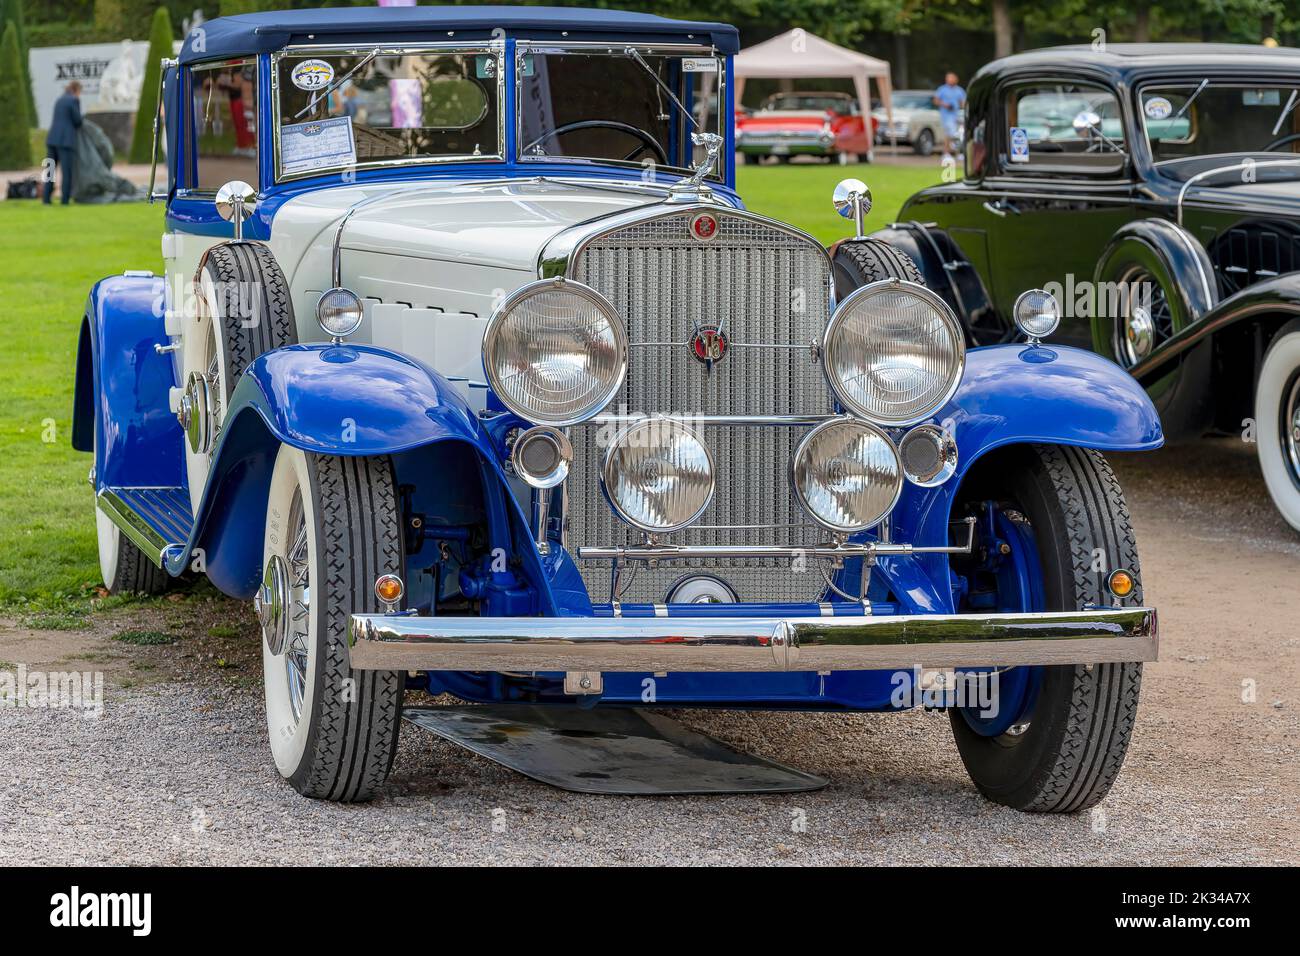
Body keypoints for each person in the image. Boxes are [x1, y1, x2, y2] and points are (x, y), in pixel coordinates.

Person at [45, 81, 84, 205]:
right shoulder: (74, 100)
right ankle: (65, 199)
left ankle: (46, 198)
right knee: (66, 172)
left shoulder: (59, 99)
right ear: (76, 90)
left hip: (52, 139)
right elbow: (77, 121)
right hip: (65, 141)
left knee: (50, 170)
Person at [933, 71, 966, 160]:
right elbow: (936, 101)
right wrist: (945, 105)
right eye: (948, 78)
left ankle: (958, 153)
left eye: (951, 78)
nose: (950, 80)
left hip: (956, 115)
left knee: (958, 134)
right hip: (946, 116)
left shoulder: (959, 90)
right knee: (949, 134)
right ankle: (946, 153)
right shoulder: (942, 89)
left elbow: (963, 102)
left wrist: (964, 107)